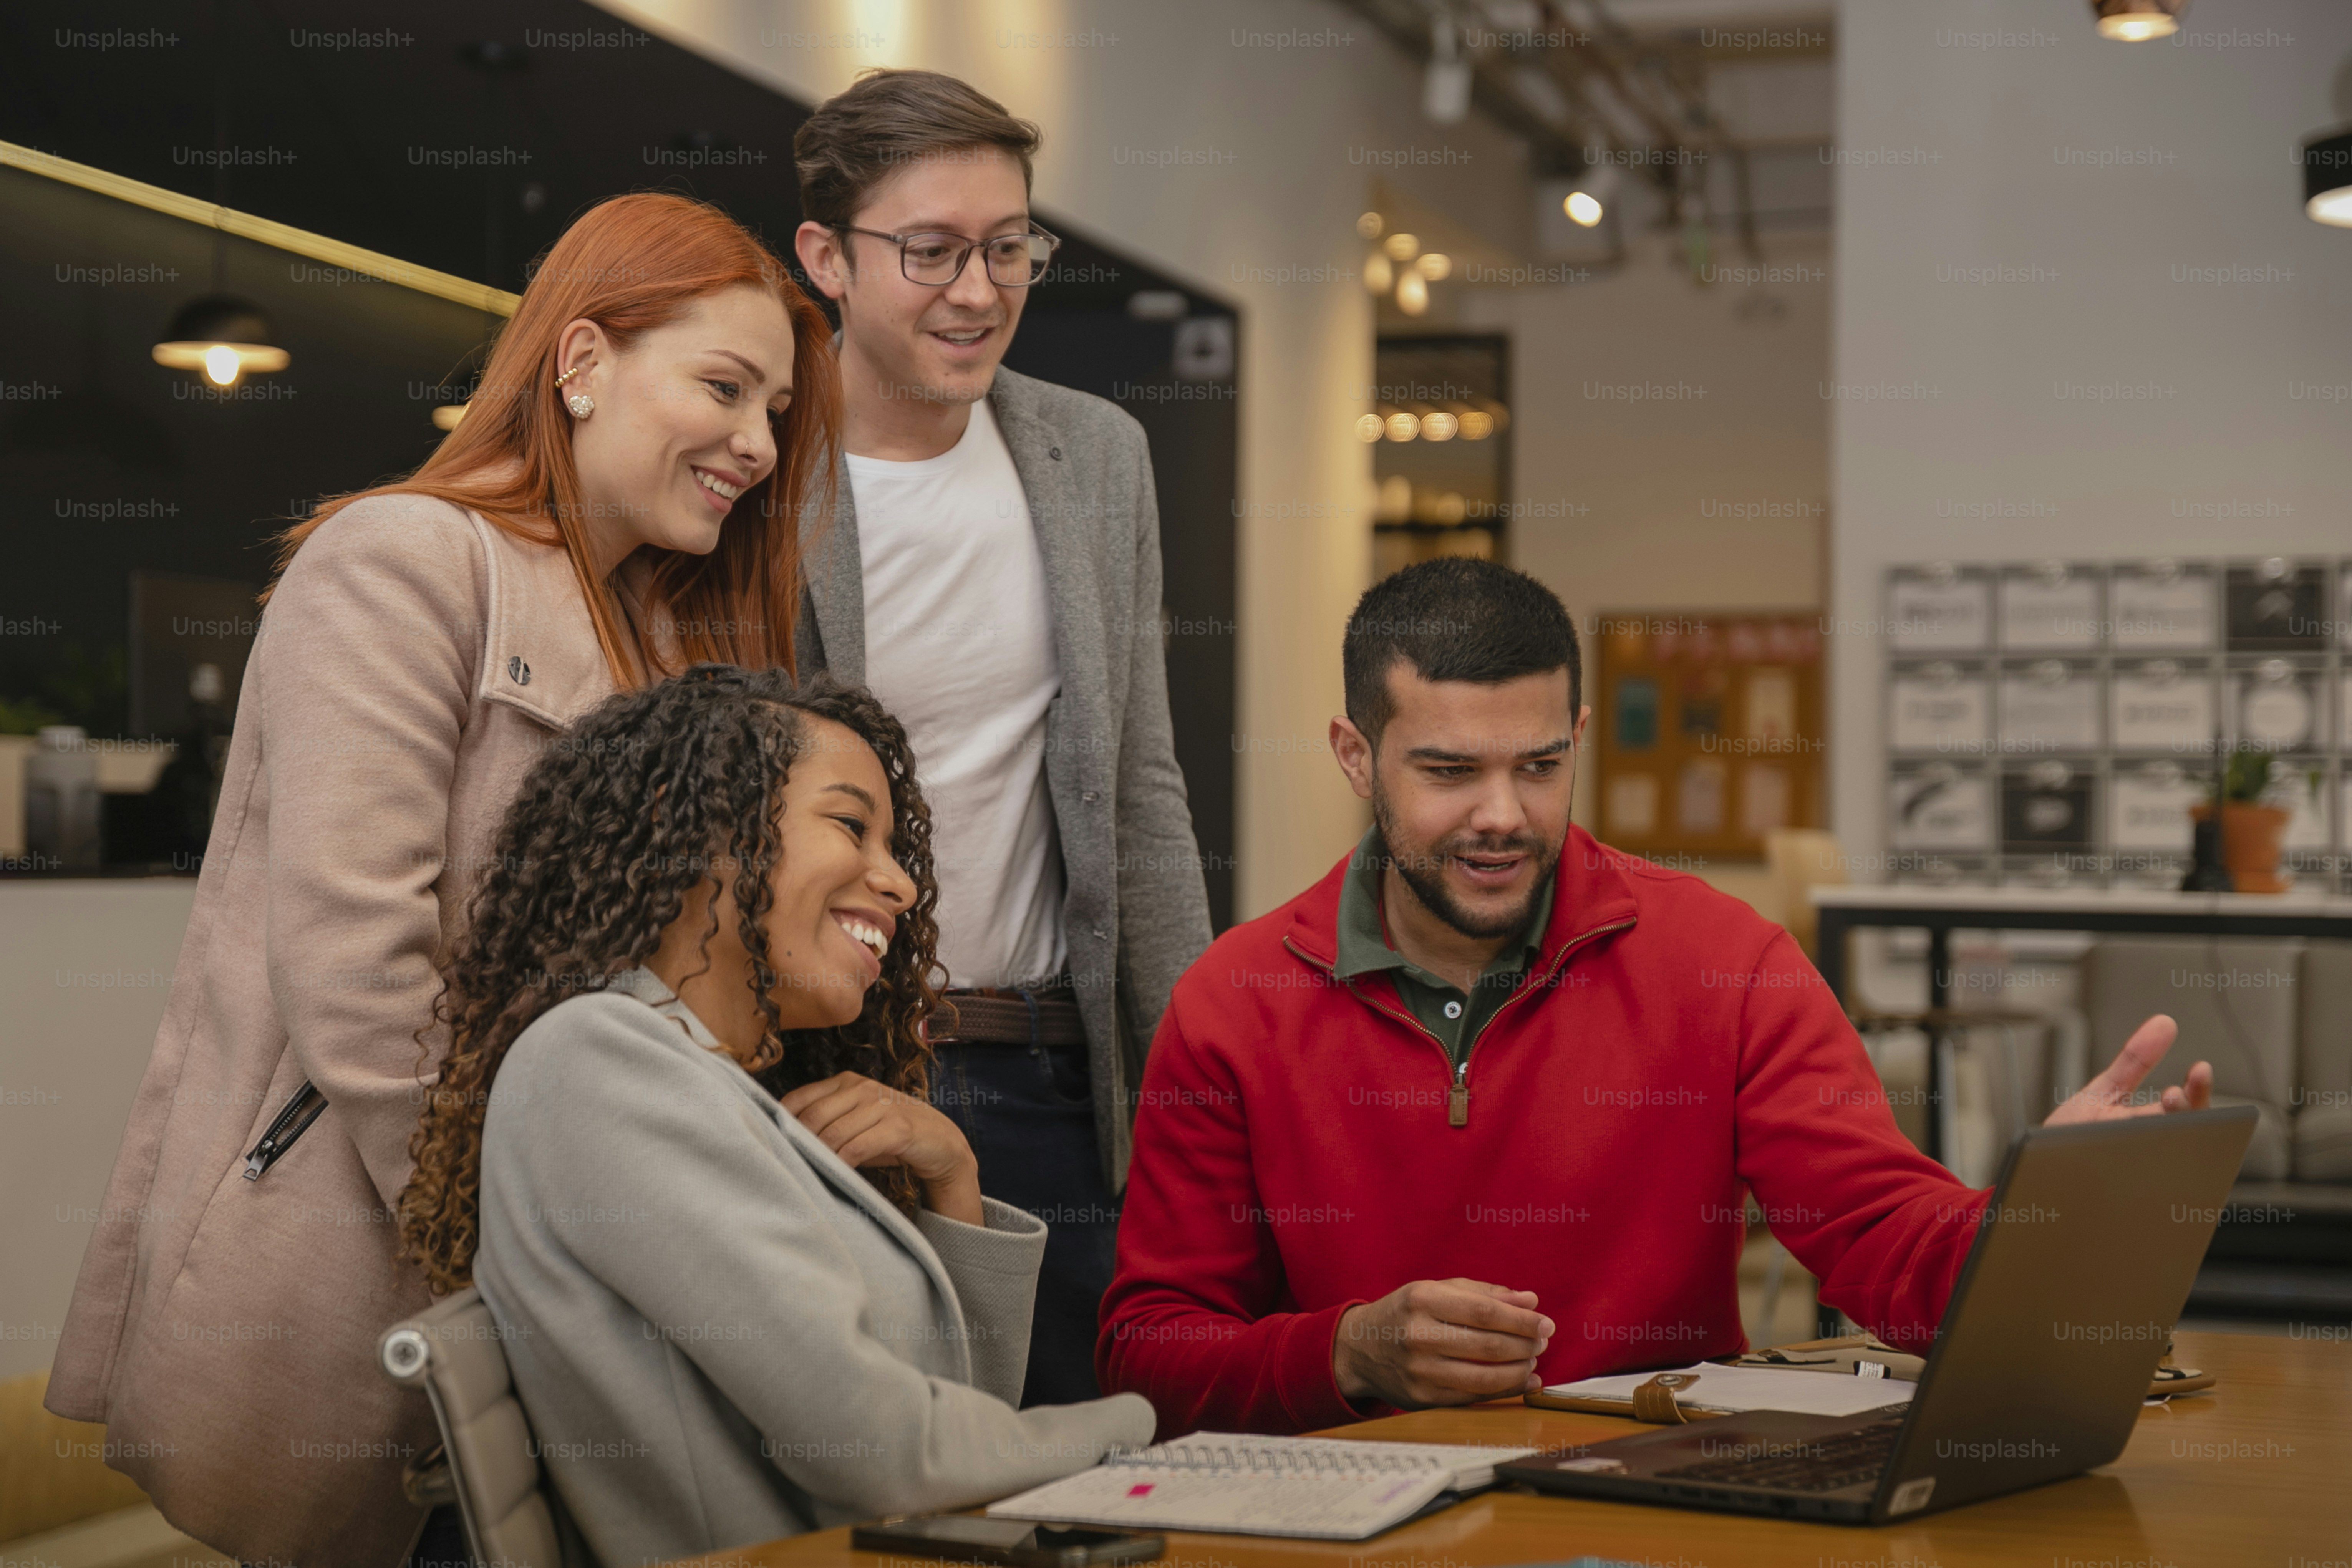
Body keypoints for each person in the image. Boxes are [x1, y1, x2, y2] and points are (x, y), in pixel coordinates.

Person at [45, 193, 841, 1568]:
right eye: (723, 387)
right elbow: (360, 980)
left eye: (774, 409)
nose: (758, 447)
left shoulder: (670, 640)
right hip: (392, 1271)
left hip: (590, 1297)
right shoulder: (401, 563)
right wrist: (560, 1251)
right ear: (581, 365)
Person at [1099, 557, 2215, 1437]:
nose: (1501, 814)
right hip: (1348, 1520)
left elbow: (1879, 1236)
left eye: (1537, 765)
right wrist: (1345, 1350)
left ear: (1579, 738)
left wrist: (2042, 1220)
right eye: (1448, 772)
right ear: (1355, 755)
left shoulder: (1726, 963)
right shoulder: (1230, 1003)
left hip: (1645, 1500)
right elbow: (1149, 1352)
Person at [397, 667, 1155, 1566]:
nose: (900, 885)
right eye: (849, 826)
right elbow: (890, 1458)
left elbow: (951, 1425)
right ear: (703, 829)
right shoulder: (599, 1062)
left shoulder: (701, 1082)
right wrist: (1147, 1423)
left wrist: (951, 1171)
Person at [790, 70, 1213, 1404]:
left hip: (1047, 1068)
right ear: (826, 260)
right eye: (930, 251)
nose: (978, 289)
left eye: (1010, 247)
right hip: (812, 1075)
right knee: (847, 1477)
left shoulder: (1095, 457)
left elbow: (1140, 786)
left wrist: (1200, 1075)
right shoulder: (753, 462)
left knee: (1089, 1460)